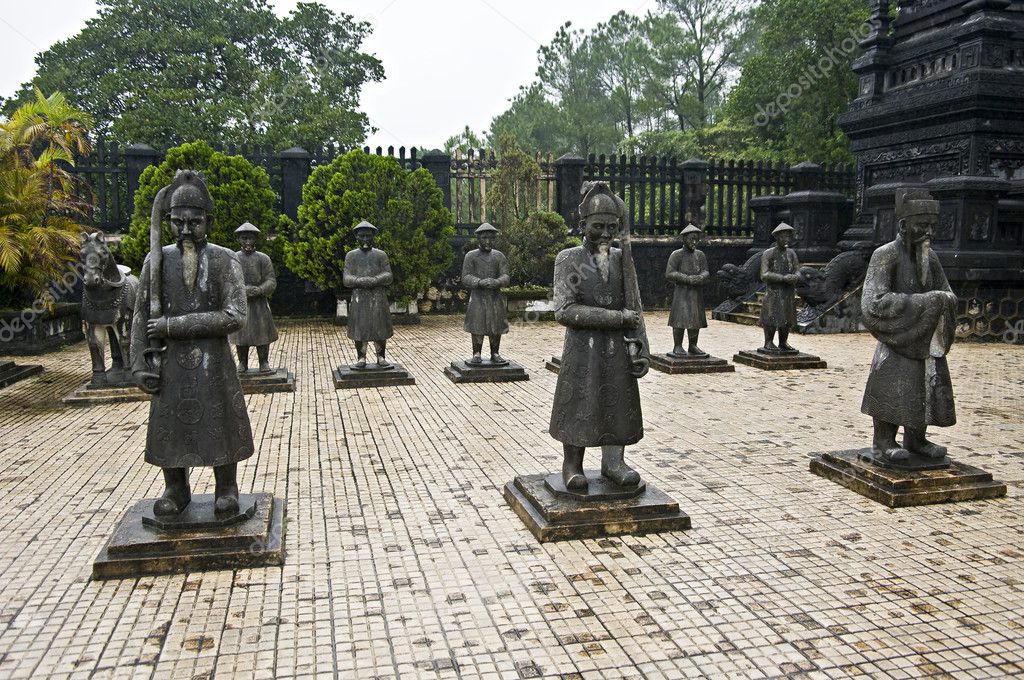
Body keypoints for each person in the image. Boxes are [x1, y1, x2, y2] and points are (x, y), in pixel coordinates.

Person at [131, 170, 254, 517]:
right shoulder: (156, 261)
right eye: (178, 222)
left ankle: (226, 487)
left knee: (219, 424)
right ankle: (176, 487)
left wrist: (175, 325)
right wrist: (139, 366)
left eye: (194, 222)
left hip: (213, 362)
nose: (186, 229)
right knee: (171, 426)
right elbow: (141, 317)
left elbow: (235, 315)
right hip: (168, 364)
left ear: (208, 221)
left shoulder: (224, 259)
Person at [549, 182, 650, 492]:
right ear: (582, 225)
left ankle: (614, 462)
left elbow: (635, 302)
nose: (606, 234)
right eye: (598, 226)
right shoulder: (569, 259)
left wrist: (643, 349)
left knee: (617, 402)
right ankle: (572, 464)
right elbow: (565, 310)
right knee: (579, 402)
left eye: (611, 227)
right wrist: (615, 318)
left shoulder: (622, 259)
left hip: (617, 350)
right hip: (583, 350)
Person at [861, 189, 957, 465]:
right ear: (903, 225)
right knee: (891, 386)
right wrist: (926, 302)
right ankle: (883, 442)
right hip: (897, 339)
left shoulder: (931, 258)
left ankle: (916, 439)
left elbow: (946, 292)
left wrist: (942, 301)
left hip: (925, 338)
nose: (929, 232)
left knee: (923, 388)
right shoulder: (885, 255)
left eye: (931, 226)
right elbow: (873, 302)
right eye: (922, 225)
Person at [343, 221, 394, 370]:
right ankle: (361, 357)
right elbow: (346, 278)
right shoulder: (351, 256)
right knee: (360, 328)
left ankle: (381, 357)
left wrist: (375, 280)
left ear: (373, 237)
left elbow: (388, 275)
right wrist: (360, 280)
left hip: (378, 296)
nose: (365, 239)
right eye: (362, 236)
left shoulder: (380, 255)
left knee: (380, 327)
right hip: (359, 296)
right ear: (357, 237)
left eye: (368, 235)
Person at [229, 222, 278, 374]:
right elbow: (228, 281)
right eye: (244, 238)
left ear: (255, 239)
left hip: (259, 303)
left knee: (262, 332)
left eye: (250, 238)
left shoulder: (263, 259)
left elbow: (271, 280)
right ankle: (242, 363)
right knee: (241, 333)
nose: (248, 242)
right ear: (239, 240)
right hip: (241, 304)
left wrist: (260, 289)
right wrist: (241, 290)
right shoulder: (234, 258)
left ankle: (264, 362)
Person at [462, 223, 511, 364]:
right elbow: (465, 277)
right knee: (477, 324)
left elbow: (506, 276)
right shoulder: (471, 256)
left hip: (495, 297)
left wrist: (497, 282)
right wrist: (479, 282)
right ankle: (476, 353)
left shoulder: (499, 256)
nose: (488, 241)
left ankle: (495, 353)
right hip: (478, 297)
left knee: (495, 325)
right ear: (478, 239)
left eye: (491, 238)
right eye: (484, 238)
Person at [665, 224, 709, 357]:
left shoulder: (700, 255)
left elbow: (706, 271)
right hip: (682, 292)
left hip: (696, 293)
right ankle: (677, 345)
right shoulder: (676, 255)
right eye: (691, 239)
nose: (694, 242)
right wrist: (687, 278)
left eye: (696, 239)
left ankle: (693, 345)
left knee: (695, 318)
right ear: (684, 239)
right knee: (680, 318)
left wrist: (701, 277)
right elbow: (670, 273)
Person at [759, 222, 802, 353]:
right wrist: (782, 278)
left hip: (788, 291)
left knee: (787, 317)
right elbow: (764, 274)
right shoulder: (768, 253)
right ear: (777, 237)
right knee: (771, 316)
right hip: (773, 291)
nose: (786, 240)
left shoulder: (791, 254)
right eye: (783, 237)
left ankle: (783, 342)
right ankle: (769, 341)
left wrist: (795, 276)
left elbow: (797, 270)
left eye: (788, 237)